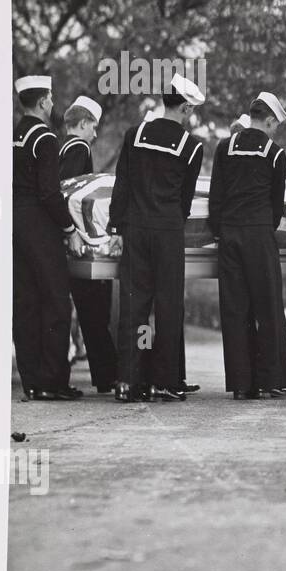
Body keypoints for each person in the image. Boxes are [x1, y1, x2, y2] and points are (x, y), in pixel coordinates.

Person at [108, 73, 205, 402]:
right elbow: (185, 200)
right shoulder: (191, 147)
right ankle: (163, 381)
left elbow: (121, 186)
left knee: (133, 307)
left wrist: (115, 227)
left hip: (134, 228)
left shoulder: (133, 135)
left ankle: (127, 381)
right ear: (186, 107)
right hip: (167, 230)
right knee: (168, 308)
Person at [209, 90, 286, 399]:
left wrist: (222, 231)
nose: (274, 131)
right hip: (258, 234)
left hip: (229, 233)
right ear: (269, 120)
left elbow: (216, 196)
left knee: (235, 309)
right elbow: (275, 206)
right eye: (275, 125)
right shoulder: (275, 154)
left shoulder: (224, 147)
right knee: (268, 307)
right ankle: (273, 380)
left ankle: (242, 385)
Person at [13, 74, 85, 400]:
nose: (54, 104)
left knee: (26, 304)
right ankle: (52, 381)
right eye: (52, 99)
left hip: (15, 226)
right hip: (40, 227)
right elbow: (50, 194)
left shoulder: (14, 135)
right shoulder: (45, 138)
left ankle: (31, 381)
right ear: (43, 102)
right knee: (56, 302)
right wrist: (69, 229)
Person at [58, 94, 116, 394]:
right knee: (95, 311)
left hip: (70, 240)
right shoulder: (79, 148)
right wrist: (76, 232)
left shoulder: (61, 148)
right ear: (82, 124)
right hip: (82, 242)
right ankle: (107, 376)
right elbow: (72, 194)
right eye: (93, 126)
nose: (95, 133)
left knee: (89, 311)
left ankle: (105, 374)